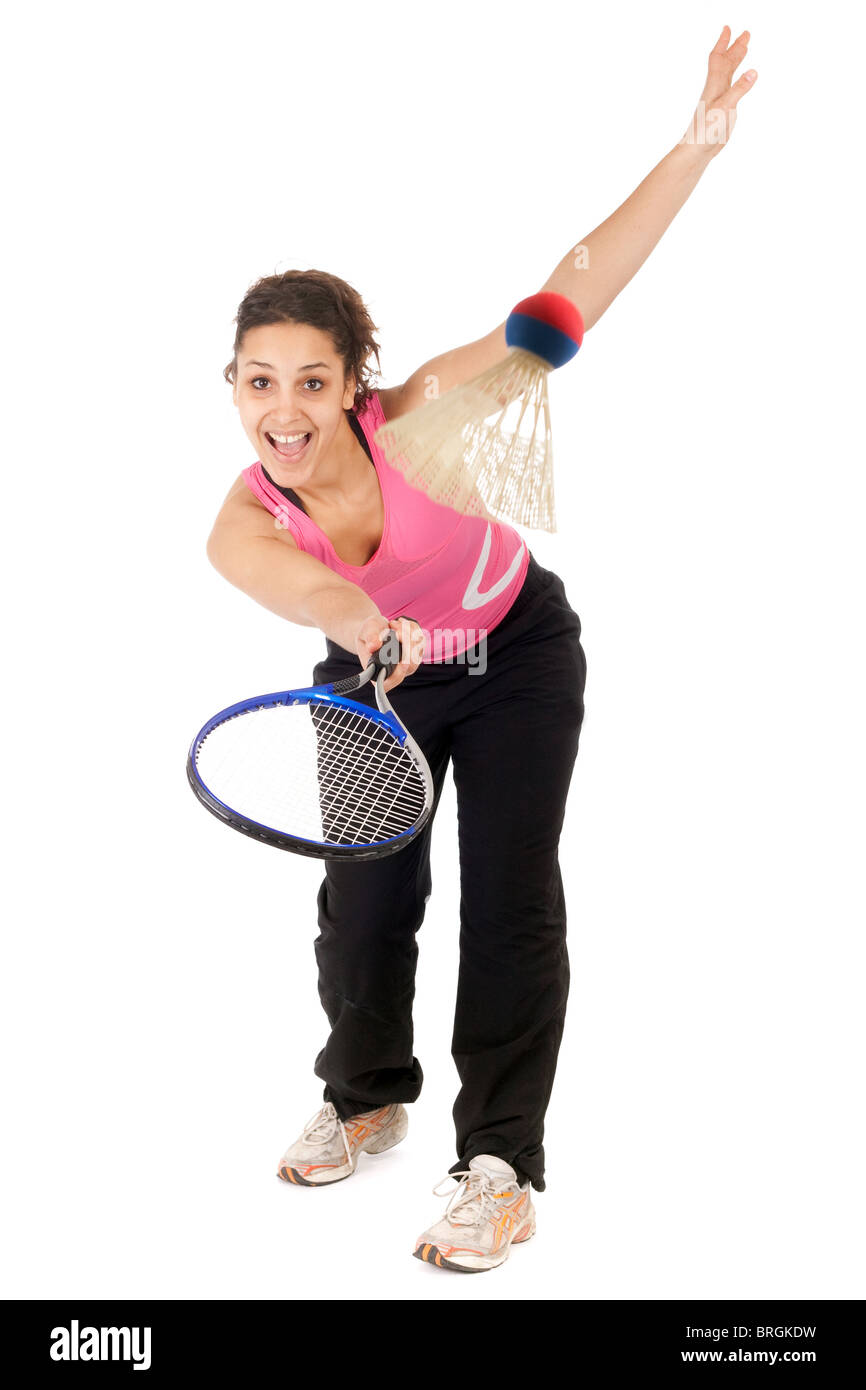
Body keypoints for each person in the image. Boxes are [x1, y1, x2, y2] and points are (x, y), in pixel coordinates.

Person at [204, 27, 757, 1273]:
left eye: (307, 380)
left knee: (508, 904)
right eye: (256, 383)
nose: (281, 410)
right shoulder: (244, 520)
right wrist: (365, 624)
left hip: (514, 657)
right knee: (363, 907)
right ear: (233, 389)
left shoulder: (427, 418)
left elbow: (569, 296)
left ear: (355, 384)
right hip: (370, 683)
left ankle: (499, 1162)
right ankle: (364, 1095)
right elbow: (299, 587)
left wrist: (692, 149)